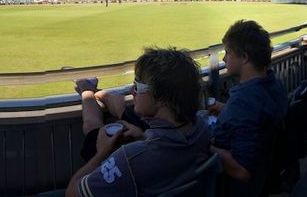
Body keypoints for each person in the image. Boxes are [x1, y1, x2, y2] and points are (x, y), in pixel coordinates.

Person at [67, 48, 211, 197]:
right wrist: (143, 136)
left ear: (162, 98)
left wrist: (102, 153)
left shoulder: (128, 159)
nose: (132, 90)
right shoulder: (202, 129)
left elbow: (72, 193)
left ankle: (86, 88)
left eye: (138, 86)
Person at [207, 20, 288, 195]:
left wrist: (201, 144)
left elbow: (242, 172)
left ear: (244, 58)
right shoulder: (274, 85)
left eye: (227, 53)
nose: (223, 58)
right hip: (267, 176)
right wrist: (226, 109)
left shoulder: (243, 103)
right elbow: (253, 120)